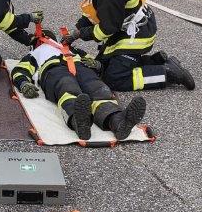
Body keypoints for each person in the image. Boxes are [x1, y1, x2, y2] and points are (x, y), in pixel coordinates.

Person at [63, 0, 195, 92]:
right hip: (132, 26)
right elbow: (99, 11)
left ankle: (168, 73)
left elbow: (107, 29)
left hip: (136, 34)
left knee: (114, 79)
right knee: (102, 65)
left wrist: (81, 34)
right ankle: (157, 61)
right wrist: (78, 27)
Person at [11, 29, 147, 141]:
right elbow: (20, 71)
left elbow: (93, 59)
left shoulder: (70, 48)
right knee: (67, 88)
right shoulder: (33, 54)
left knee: (98, 90)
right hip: (53, 69)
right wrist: (24, 84)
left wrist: (97, 65)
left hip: (80, 66)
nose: (44, 41)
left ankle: (118, 122)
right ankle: (79, 121)